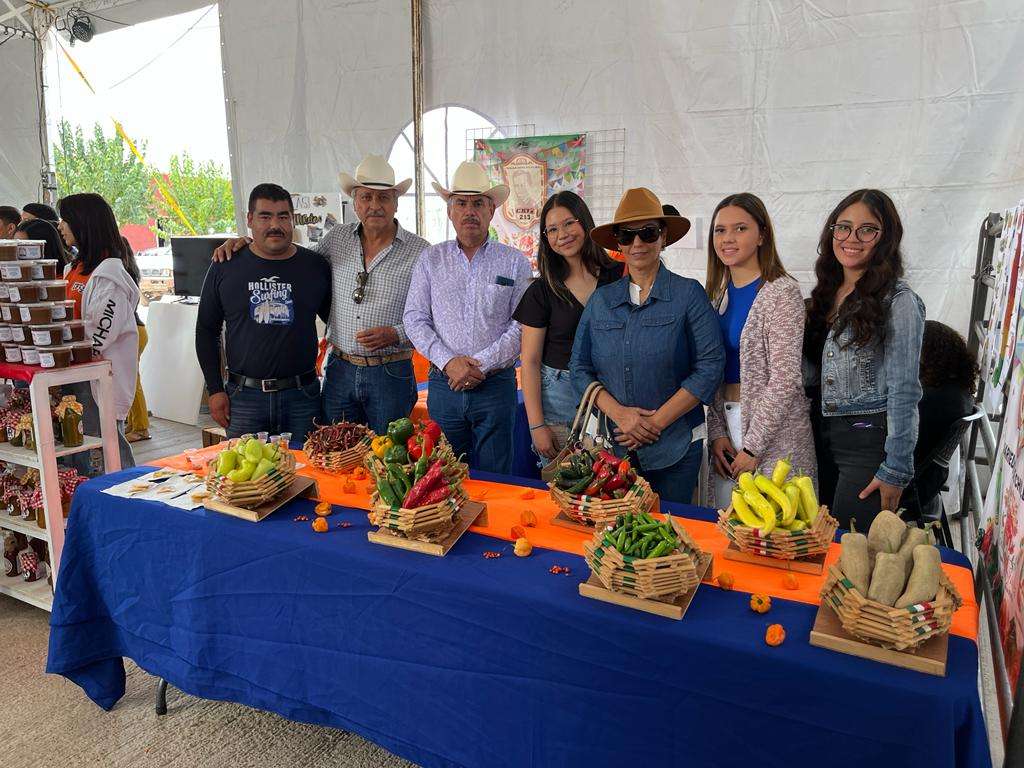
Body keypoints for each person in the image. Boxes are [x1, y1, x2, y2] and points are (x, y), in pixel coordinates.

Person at [211, 156, 429, 435]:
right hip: (340, 371)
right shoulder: (336, 238)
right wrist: (249, 244)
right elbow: (293, 263)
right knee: (335, 450)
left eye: (384, 197)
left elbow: (432, 318)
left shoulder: (421, 252)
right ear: (355, 201)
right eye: (366, 197)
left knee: (387, 452)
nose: (375, 205)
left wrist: (395, 334)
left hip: (390, 372)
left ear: (396, 203)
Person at [570, 188, 724, 503]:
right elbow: (579, 367)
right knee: (615, 529)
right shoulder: (601, 301)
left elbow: (710, 367)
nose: (637, 243)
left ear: (663, 237)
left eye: (648, 232)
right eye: (627, 236)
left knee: (670, 526)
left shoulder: (688, 294)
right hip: (612, 451)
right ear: (618, 243)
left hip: (677, 446)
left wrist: (655, 423)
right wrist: (620, 415)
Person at [803, 189, 925, 529]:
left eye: (867, 229)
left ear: (886, 238)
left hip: (866, 442)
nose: (851, 238)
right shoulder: (823, 296)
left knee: (849, 545)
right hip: (818, 438)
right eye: (843, 227)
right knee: (817, 542)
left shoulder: (899, 301)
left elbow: (905, 390)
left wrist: (896, 468)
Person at [404, 161, 532, 473]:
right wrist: (449, 362)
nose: (469, 211)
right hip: (443, 385)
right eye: (461, 203)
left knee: (495, 478)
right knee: (444, 475)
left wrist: (479, 365)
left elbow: (522, 325)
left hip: (495, 387)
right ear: (450, 211)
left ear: (492, 210)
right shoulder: (430, 259)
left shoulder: (515, 262)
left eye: (478, 204)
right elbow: (414, 318)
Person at [705, 193, 816, 508]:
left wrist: (753, 447)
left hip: (772, 433)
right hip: (727, 426)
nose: (728, 238)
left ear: (762, 235)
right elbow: (711, 370)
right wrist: (716, 433)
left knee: (774, 524)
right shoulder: (716, 295)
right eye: (720, 230)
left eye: (740, 228)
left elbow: (785, 378)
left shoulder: (781, 293)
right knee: (726, 524)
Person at [196, 183, 331, 441]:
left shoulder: (315, 266)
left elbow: (336, 320)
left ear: (292, 219)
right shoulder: (225, 265)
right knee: (245, 468)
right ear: (249, 219)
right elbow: (206, 330)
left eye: (283, 216)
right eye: (265, 216)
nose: (275, 225)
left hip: (302, 398)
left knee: (306, 466)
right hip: (244, 398)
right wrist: (215, 389)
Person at [513, 191, 622, 461]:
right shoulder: (541, 291)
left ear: (584, 222)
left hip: (615, 392)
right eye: (552, 229)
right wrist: (536, 426)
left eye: (569, 223)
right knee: (567, 480)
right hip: (559, 397)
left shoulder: (618, 275)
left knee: (615, 479)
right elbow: (530, 361)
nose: (562, 234)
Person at [57, 193, 141, 470]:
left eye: (65, 220)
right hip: (73, 374)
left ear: (84, 223)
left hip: (95, 378)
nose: (60, 226)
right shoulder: (74, 268)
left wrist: (70, 352)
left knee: (105, 447)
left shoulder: (109, 275)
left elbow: (100, 333)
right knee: (79, 446)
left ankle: (123, 492)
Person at [910, 321, 977, 514]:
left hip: (913, 487)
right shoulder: (959, 391)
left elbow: (907, 444)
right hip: (930, 480)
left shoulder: (934, 399)